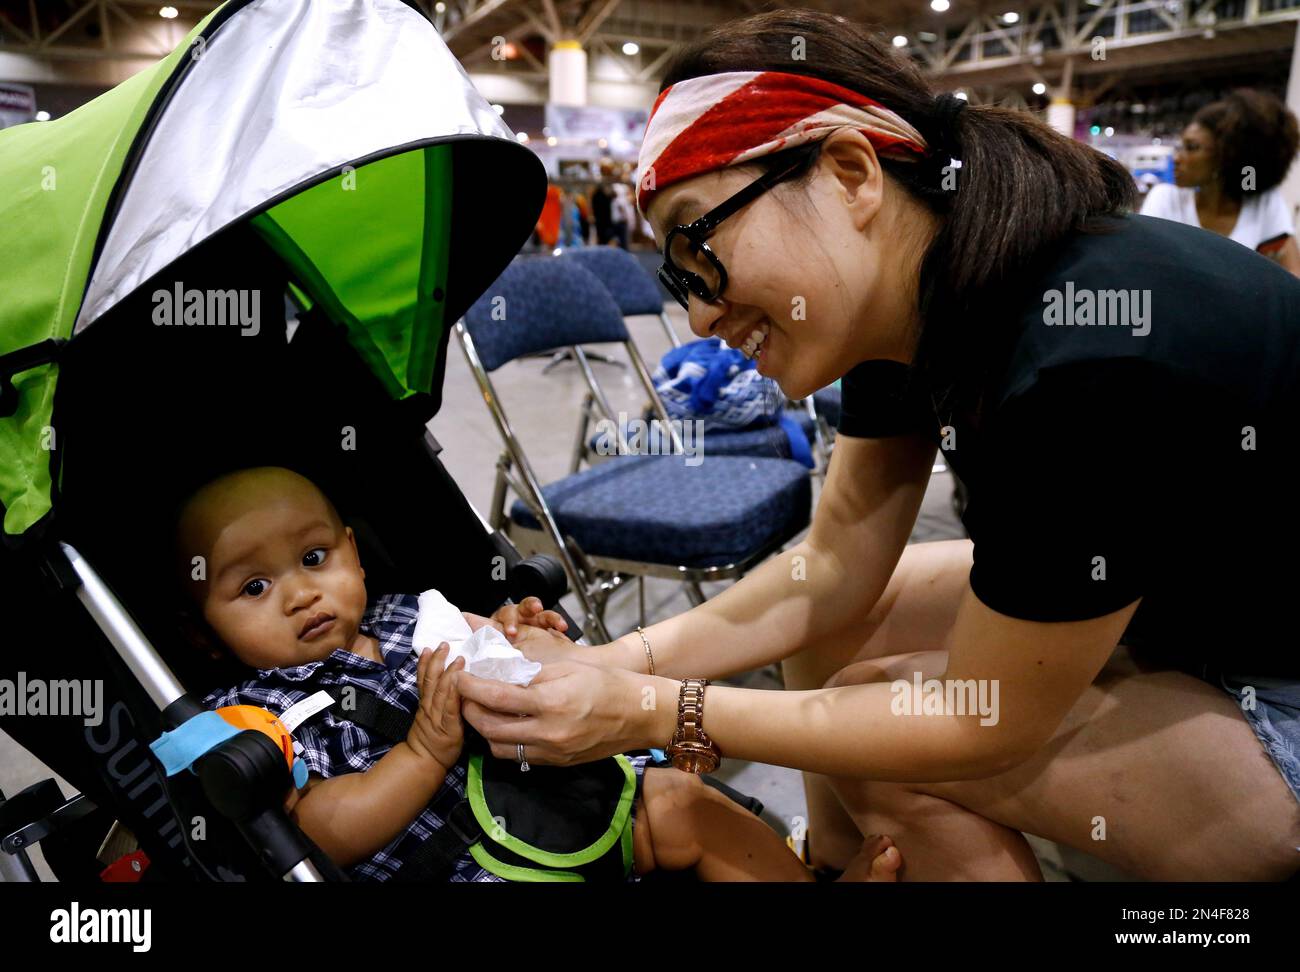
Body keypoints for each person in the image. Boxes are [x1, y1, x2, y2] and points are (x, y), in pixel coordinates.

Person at [453, 9, 1300, 881]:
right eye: (677, 277)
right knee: (848, 626)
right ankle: (839, 862)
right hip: (1203, 606)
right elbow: (832, 572)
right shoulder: (929, 291)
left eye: (696, 242)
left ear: (851, 171)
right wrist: (609, 660)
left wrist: (652, 710)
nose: (700, 315)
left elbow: (984, 721)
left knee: (877, 728)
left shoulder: (1083, 356)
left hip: (1279, 696)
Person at [179, 466, 900, 881]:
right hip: (457, 873)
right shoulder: (247, 716)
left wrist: (521, 631)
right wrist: (420, 757)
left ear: (353, 553)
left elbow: (502, 652)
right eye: (252, 588)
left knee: (681, 799)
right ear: (205, 632)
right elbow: (317, 834)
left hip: (556, 805)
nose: (301, 593)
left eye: (313, 560)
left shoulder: (410, 614)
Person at [1141, 89, 1300, 274]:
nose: (1176, 158)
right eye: (1180, 146)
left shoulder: (1264, 204)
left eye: (1191, 147)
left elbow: (1293, 279)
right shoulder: (1165, 199)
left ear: (1226, 156)